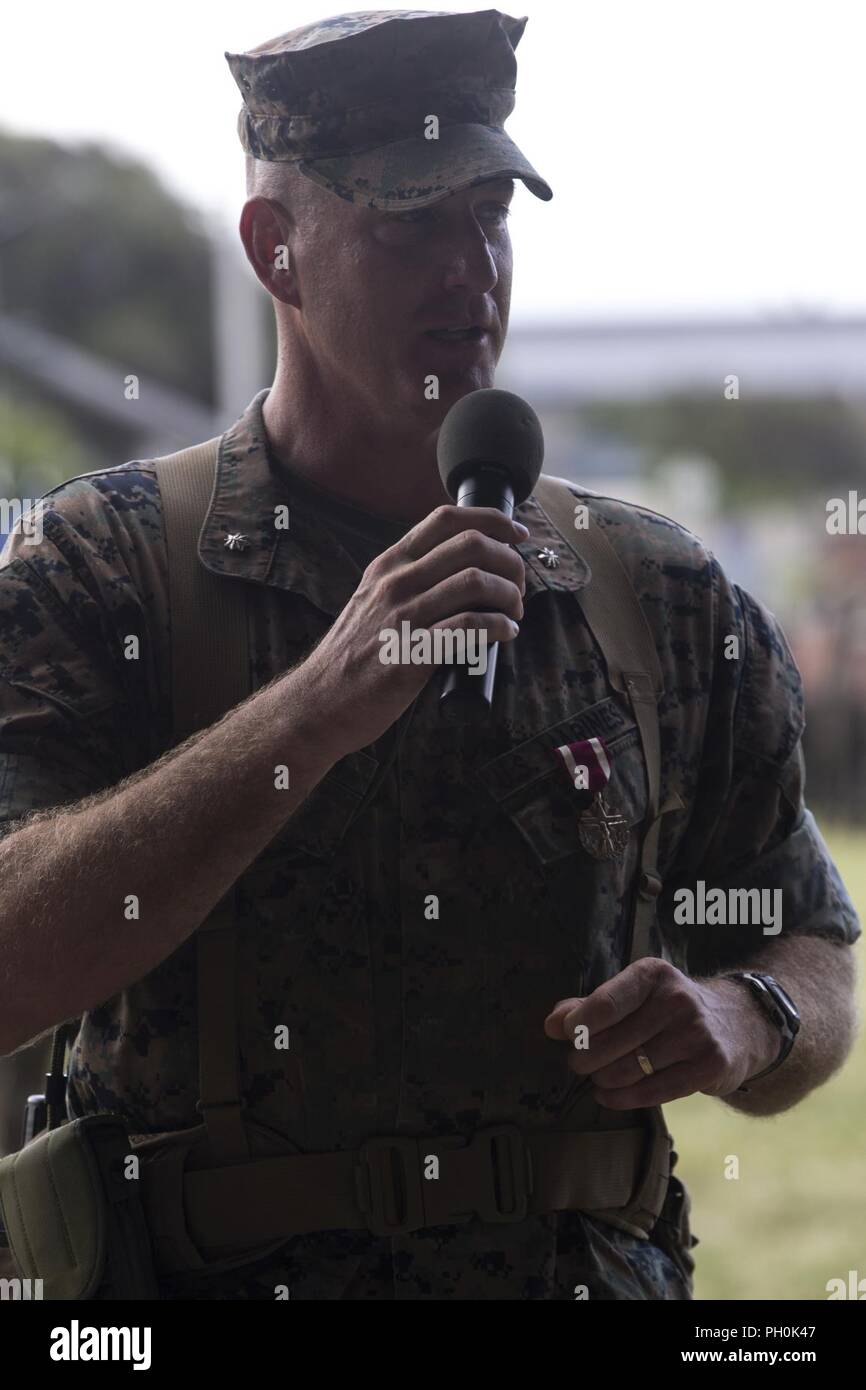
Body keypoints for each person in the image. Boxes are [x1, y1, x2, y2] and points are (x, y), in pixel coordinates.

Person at [0, 9, 859, 1301]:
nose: (471, 270)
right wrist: (311, 710)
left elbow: (806, 942)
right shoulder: (107, 563)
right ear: (274, 247)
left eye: (491, 215)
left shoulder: (655, 589)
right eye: (410, 221)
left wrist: (748, 1017)